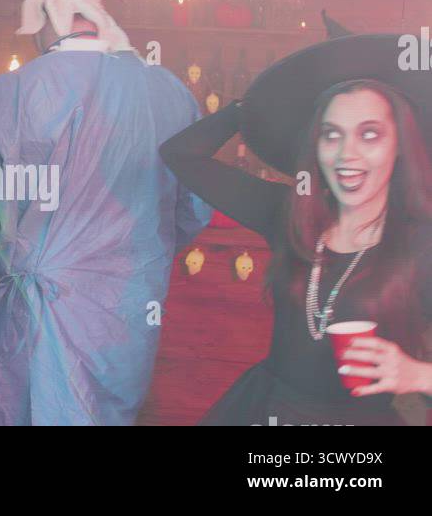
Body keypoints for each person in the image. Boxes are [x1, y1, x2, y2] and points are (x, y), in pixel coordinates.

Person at [0, 0, 212, 426]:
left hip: (36, 328)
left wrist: (10, 250)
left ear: (41, 13)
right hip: (126, 326)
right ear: (94, 10)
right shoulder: (170, 95)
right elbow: (192, 212)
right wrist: (125, 258)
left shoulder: (10, 95)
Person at [160, 35, 432, 425]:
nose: (346, 154)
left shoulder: (421, 244)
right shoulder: (291, 214)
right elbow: (181, 155)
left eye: (369, 134)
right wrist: (247, 108)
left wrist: (417, 374)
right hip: (269, 412)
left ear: (399, 145)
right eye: (331, 134)